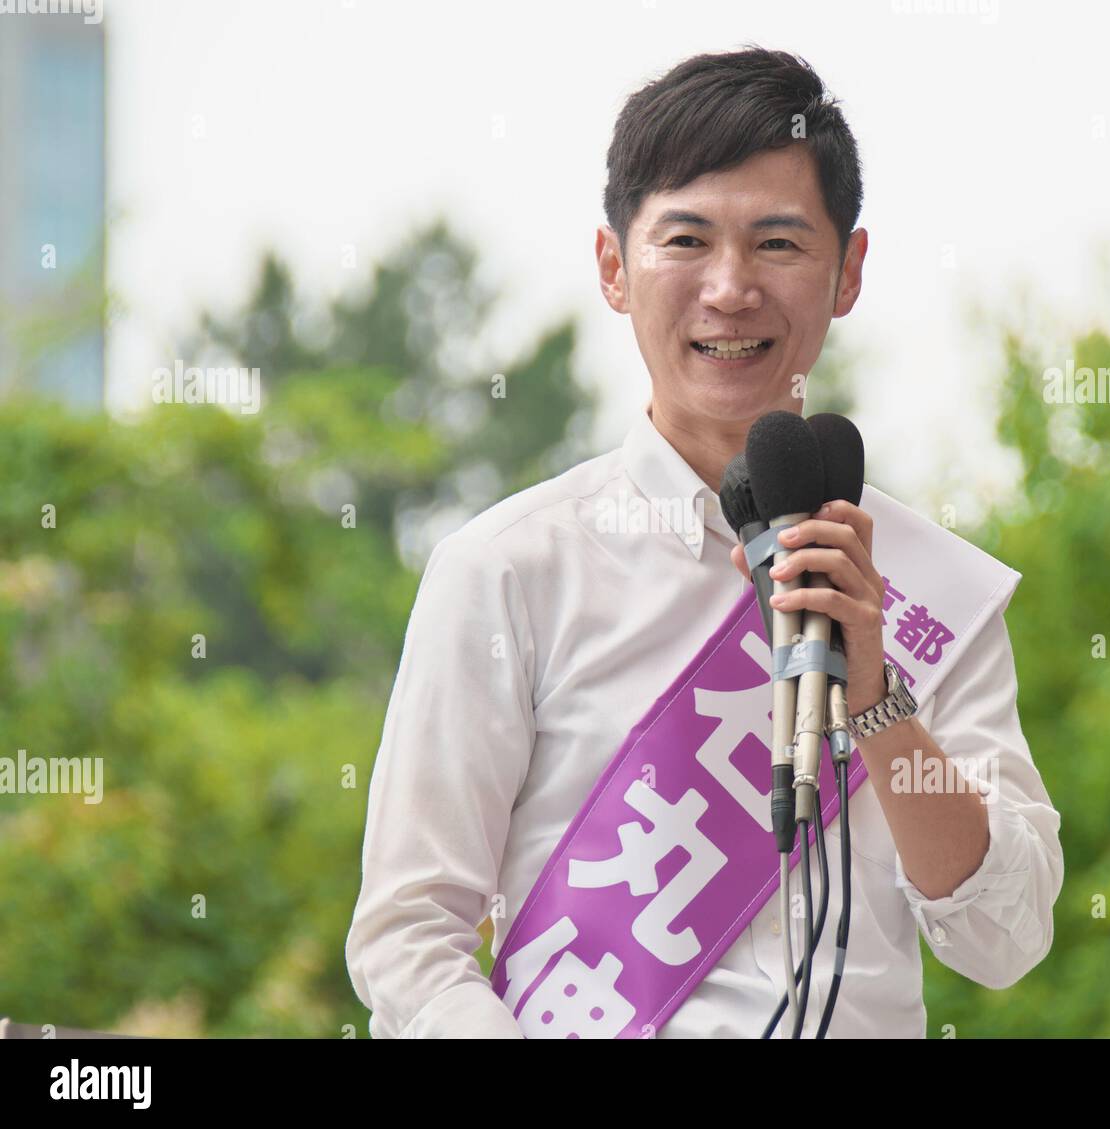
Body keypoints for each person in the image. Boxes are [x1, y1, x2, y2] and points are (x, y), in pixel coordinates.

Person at [344, 44, 1063, 1038]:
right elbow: (409, 939)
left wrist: (876, 700)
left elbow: (1004, 938)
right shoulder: (508, 571)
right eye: (685, 240)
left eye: (777, 244)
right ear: (613, 266)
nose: (730, 289)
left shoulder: (924, 585)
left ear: (847, 271)